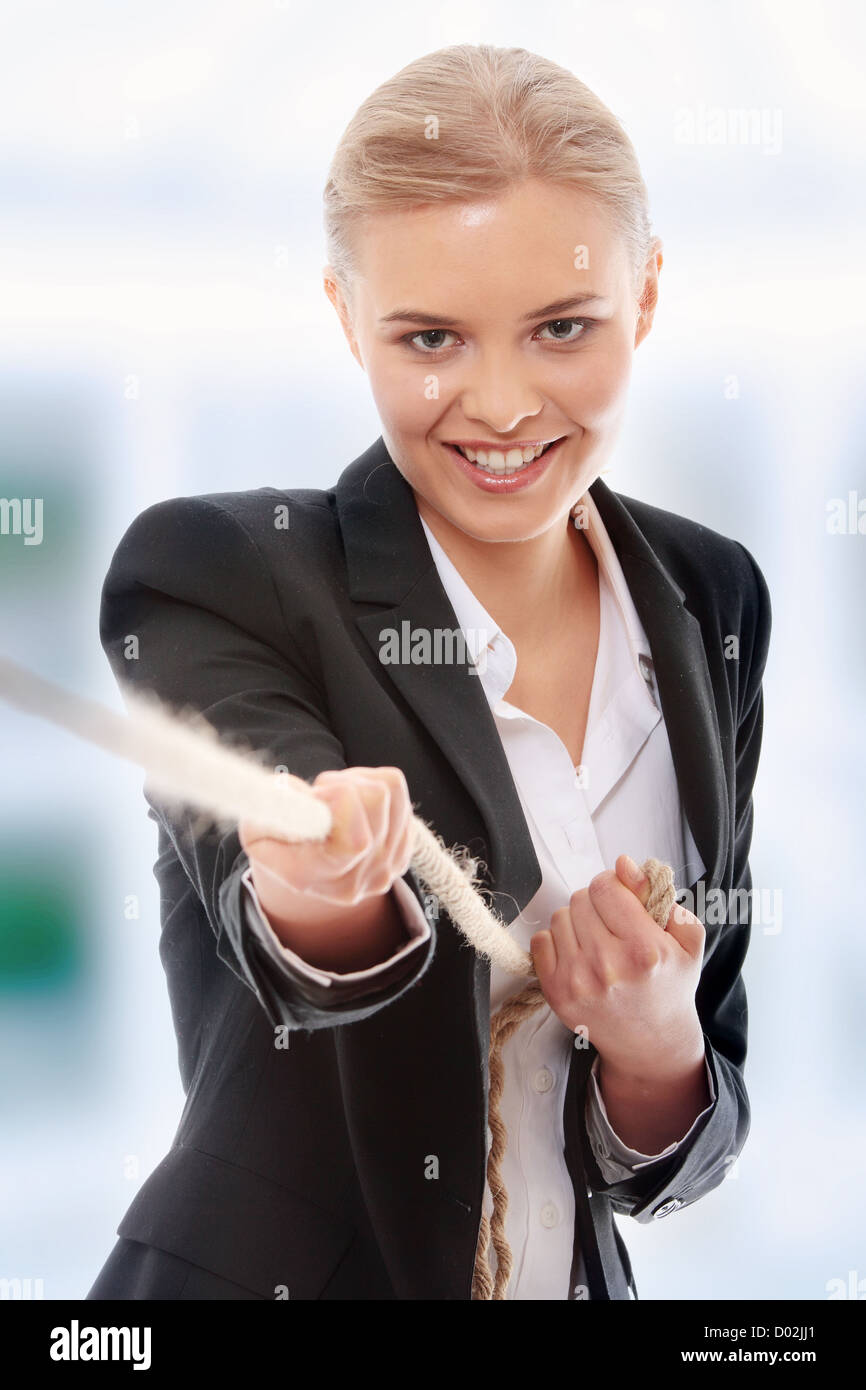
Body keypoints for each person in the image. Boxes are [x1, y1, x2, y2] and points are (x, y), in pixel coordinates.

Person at [86, 43, 771, 1301]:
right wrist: (324, 882)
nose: (500, 404)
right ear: (347, 316)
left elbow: (679, 1137)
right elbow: (278, 929)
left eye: (562, 327)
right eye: (430, 337)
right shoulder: (221, 570)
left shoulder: (710, 595)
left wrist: (653, 1036)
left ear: (650, 295)